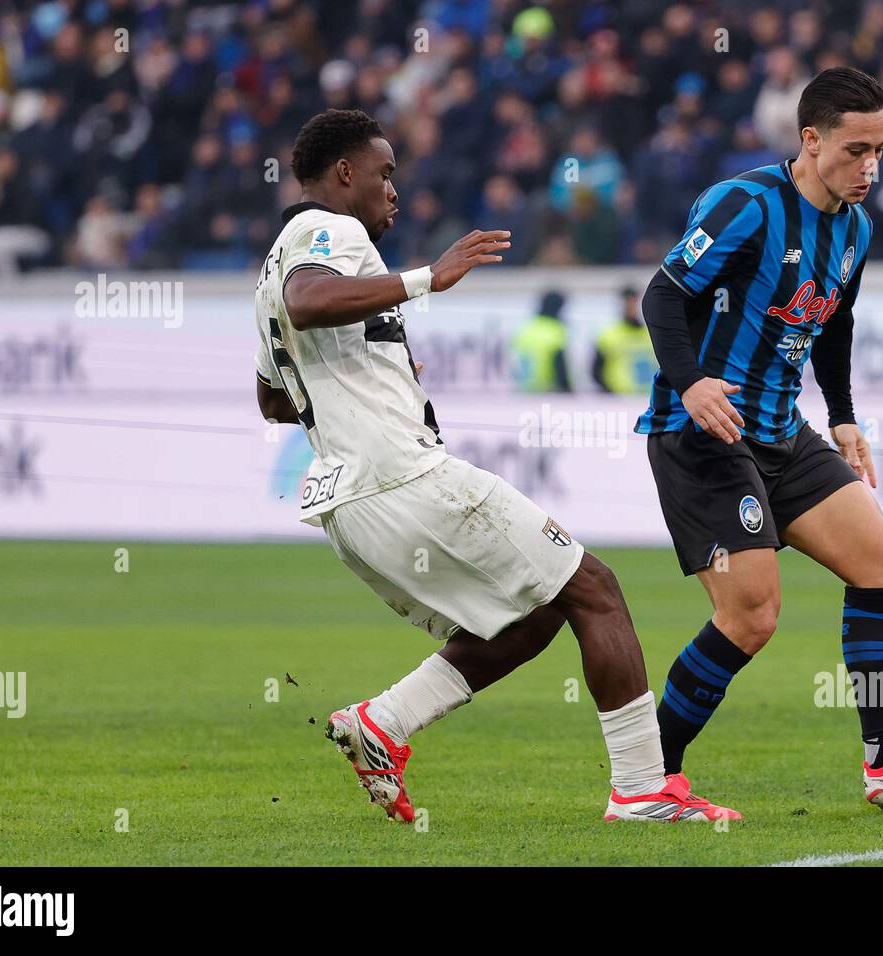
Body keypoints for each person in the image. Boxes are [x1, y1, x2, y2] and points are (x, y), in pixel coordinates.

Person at [253, 108, 736, 823]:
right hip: (399, 475)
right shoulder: (328, 230)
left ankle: (380, 724)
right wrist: (427, 278)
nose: (393, 189)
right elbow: (310, 298)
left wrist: (375, 373)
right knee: (595, 589)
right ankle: (642, 790)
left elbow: (272, 397)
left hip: (348, 501)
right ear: (345, 173)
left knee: (535, 614)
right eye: (384, 174)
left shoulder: (270, 267)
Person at [635, 68, 883, 808]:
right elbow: (662, 294)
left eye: (881, 150)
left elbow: (835, 322)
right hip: (703, 432)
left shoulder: (856, 228)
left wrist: (845, 415)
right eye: (856, 151)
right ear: (811, 140)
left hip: (782, 432)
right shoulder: (747, 204)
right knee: (752, 614)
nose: (871, 168)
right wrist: (693, 384)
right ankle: (648, 774)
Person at [591, 286, 657, 394]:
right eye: (628, 303)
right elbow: (596, 372)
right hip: (620, 399)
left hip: (650, 399)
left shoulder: (653, 333)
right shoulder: (608, 336)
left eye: (634, 302)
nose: (631, 307)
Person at [512, 289, 571, 392]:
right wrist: (568, 391)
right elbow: (560, 367)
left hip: (522, 390)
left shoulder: (525, 329)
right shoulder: (555, 330)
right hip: (547, 391)